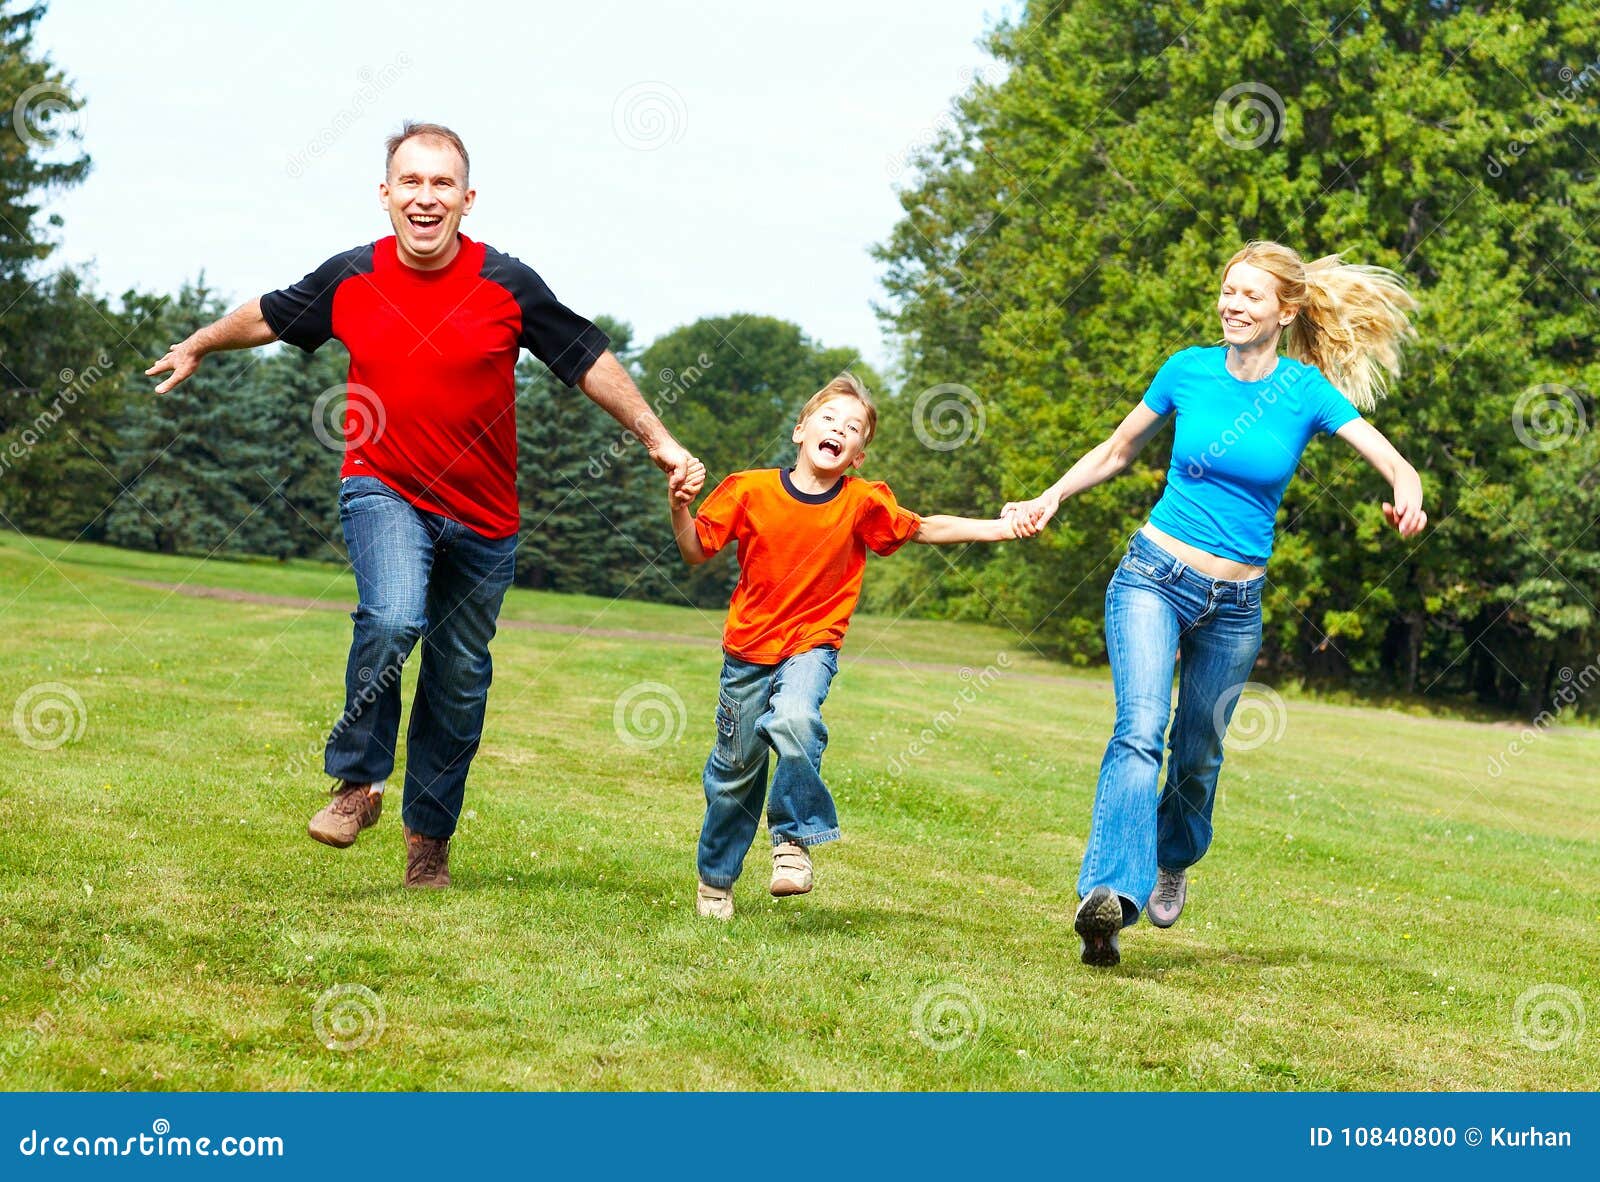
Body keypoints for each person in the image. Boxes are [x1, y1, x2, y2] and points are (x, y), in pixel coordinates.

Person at [146, 121, 704, 888]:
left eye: (442, 184)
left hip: (484, 516)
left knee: (459, 676)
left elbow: (585, 357)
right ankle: (356, 783)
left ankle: (428, 842)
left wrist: (657, 438)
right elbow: (272, 312)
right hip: (383, 486)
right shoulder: (353, 273)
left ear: (467, 200)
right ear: (385, 196)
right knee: (394, 616)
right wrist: (202, 342)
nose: (425, 197)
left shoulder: (508, 283)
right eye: (411, 181)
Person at [1004, 240, 1427, 966]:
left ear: (1284, 310)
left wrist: (1406, 498)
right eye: (1228, 292)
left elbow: (1393, 461)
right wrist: (1051, 497)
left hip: (1234, 604)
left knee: (1197, 753)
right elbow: (1116, 452)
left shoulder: (1303, 392)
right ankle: (1106, 898)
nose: (1233, 305)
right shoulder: (1187, 370)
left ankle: (1173, 858)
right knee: (1139, 729)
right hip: (1153, 574)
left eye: (1250, 296)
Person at [671, 373, 1019, 919]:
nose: (839, 429)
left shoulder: (862, 503)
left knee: (796, 719)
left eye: (853, 428)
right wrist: (679, 508)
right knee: (734, 772)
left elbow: (925, 528)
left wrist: (998, 529)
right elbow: (695, 552)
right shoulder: (747, 489)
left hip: (812, 644)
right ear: (800, 430)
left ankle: (792, 843)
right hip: (747, 651)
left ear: (857, 455)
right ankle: (716, 880)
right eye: (829, 419)